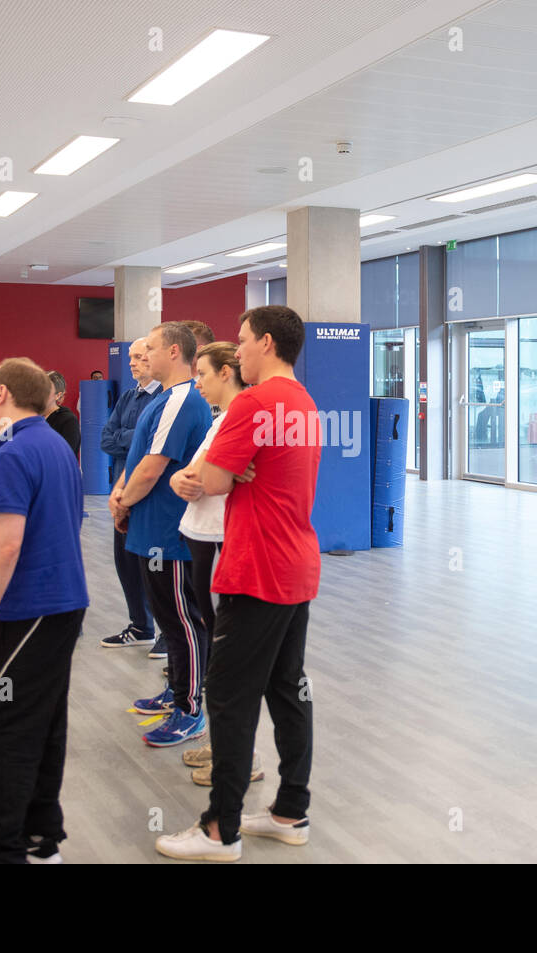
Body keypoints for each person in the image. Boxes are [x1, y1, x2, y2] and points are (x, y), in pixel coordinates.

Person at [155, 305, 321, 863]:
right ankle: (290, 811)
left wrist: (202, 476)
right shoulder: (304, 403)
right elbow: (225, 476)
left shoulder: (253, 401)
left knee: (228, 698)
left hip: (256, 568)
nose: (238, 349)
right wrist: (217, 474)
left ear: (267, 343)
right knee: (288, 689)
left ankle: (220, 829)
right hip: (296, 564)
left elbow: (209, 480)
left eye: (243, 340)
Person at [0, 358, 89, 862]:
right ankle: (41, 838)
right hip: (62, 606)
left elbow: (6, 545)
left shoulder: (13, 454)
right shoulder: (55, 443)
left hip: (30, 610)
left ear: (3, 395)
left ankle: (1, 848)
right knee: (43, 722)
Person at [108, 323, 212, 747]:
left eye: (148, 348)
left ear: (173, 351)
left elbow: (153, 467)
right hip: (151, 530)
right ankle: (176, 689)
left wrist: (125, 501)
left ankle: (190, 708)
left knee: (181, 619)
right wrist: (120, 492)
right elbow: (136, 459)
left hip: (169, 534)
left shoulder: (183, 398)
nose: (141, 355)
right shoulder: (164, 399)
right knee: (169, 619)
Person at [168, 341, 263, 787]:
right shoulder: (219, 420)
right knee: (214, 644)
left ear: (227, 372)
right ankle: (226, 744)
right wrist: (192, 477)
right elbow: (186, 476)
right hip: (201, 534)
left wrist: (200, 476)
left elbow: (204, 478)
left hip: (220, 537)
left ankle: (242, 757)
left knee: (227, 653)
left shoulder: (239, 416)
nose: (198, 383)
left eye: (203, 374)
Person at [99, 337, 163, 650]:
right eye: (131, 358)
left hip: (151, 493)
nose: (133, 363)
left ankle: (168, 633)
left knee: (154, 565)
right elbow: (106, 439)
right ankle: (140, 626)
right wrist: (137, 437)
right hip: (122, 494)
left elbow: (154, 447)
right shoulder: (127, 397)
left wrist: (136, 439)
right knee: (125, 561)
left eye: (139, 357)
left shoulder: (167, 398)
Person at [44, 370, 80, 457]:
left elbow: (66, 456)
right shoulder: (33, 416)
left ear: (58, 395)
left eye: (46, 390)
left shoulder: (68, 420)